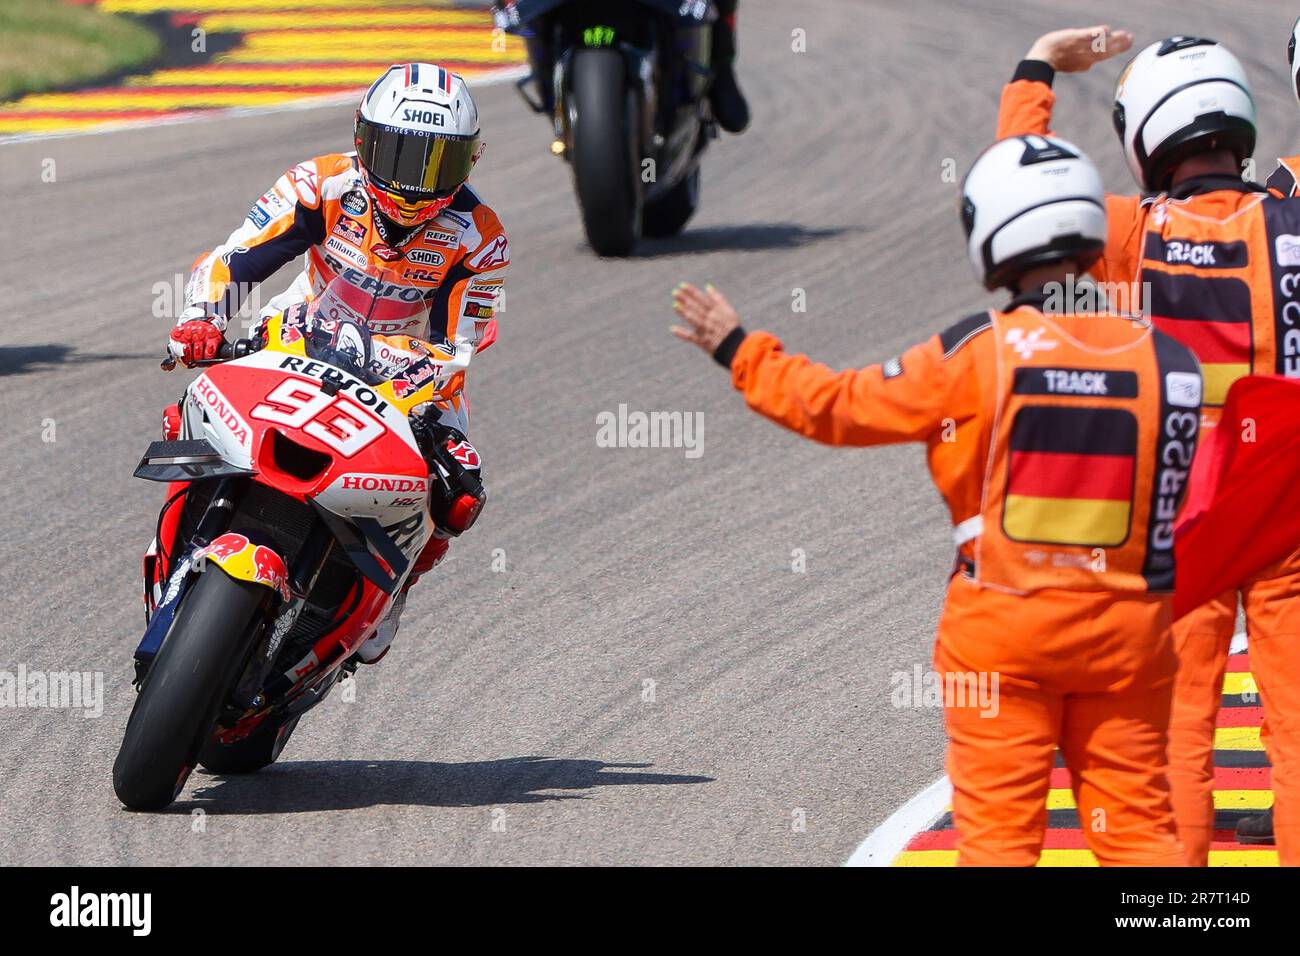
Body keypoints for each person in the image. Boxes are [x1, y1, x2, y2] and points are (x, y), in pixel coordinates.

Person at [671, 134, 1200, 866]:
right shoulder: (1169, 359)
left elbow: (838, 406)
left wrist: (741, 348)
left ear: (993, 233)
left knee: (997, 843)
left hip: (1002, 629)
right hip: (1130, 630)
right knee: (1144, 839)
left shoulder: (980, 351)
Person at [996, 26, 1300, 866]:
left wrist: (1039, 69)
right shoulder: (1293, 210)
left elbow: (1025, 184)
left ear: (1146, 138)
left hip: (1184, 515)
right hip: (1290, 505)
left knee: (1172, 732)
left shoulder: (1133, 232)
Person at [166, 62, 510, 664]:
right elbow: (237, 257)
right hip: (300, 332)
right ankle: (188, 534)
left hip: (414, 369)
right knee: (196, 409)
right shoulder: (317, 184)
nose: (413, 184)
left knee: (458, 494)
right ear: (362, 138)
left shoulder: (480, 237)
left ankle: (393, 591)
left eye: (437, 164)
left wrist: (428, 379)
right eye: (401, 156)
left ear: (468, 164)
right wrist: (203, 318)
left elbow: (460, 342)